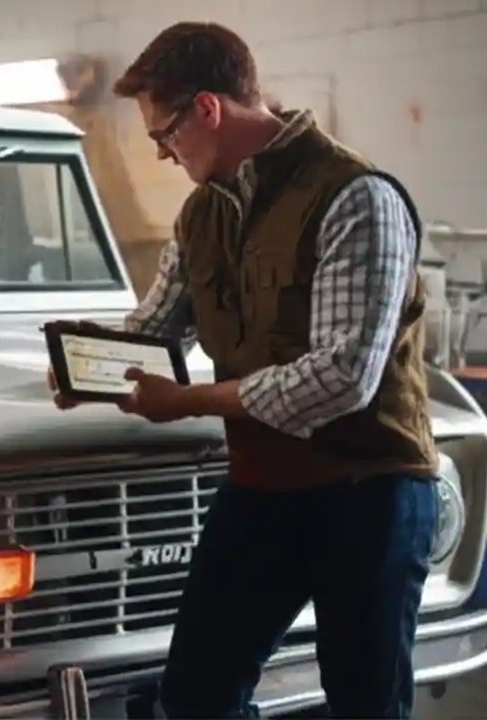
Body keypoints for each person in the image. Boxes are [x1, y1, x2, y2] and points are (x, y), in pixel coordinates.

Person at [48, 21, 439, 719]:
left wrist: (193, 400)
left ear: (208, 109)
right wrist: (85, 365)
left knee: (364, 701)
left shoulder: (354, 196)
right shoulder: (202, 215)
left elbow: (343, 376)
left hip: (369, 491)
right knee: (196, 692)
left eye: (165, 133)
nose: (163, 154)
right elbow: (153, 326)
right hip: (263, 489)